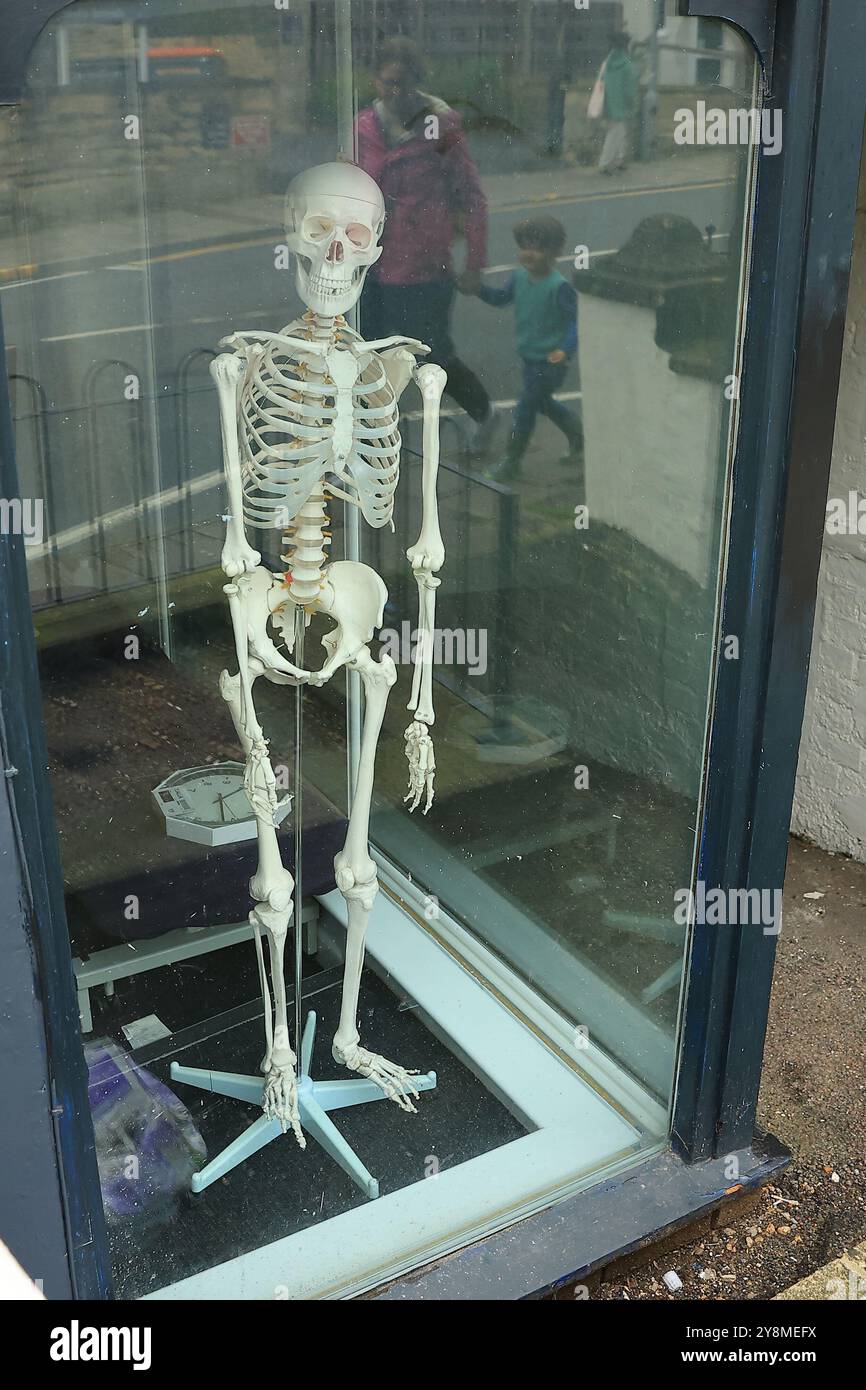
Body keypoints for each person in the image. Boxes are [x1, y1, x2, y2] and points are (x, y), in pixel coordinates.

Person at [354, 37, 498, 455]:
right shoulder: (363, 126)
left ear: (417, 82)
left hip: (423, 266)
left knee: (431, 356)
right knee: (366, 357)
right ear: (375, 81)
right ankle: (369, 445)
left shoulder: (441, 126)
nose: (395, 92)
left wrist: (475, 262)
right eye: (387, 83)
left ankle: (486, 415)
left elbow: (471, 195)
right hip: (371, 265)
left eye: (403, 83)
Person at [465, 215, 583, 484]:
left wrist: (564, 350)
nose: (529, 254)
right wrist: (478, 290)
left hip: (551, 363)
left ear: (555, 253)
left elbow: (577, 322)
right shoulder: (519, 278)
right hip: (530, 359)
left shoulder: (559, 287)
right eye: (525, 246)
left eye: (538, 248)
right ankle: (578, 439)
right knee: (543, 403)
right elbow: (501, 299)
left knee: (525, 409)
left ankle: (512, 461)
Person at [598, 32, 638, 174]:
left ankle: (618, 161)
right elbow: (630, 90)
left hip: (607, 104)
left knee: (618, 133)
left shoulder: (607, 62)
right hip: (621, 106)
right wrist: (632, 104)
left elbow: (601, 82)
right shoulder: (627, 64)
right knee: (615, 134)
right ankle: (605, 163)